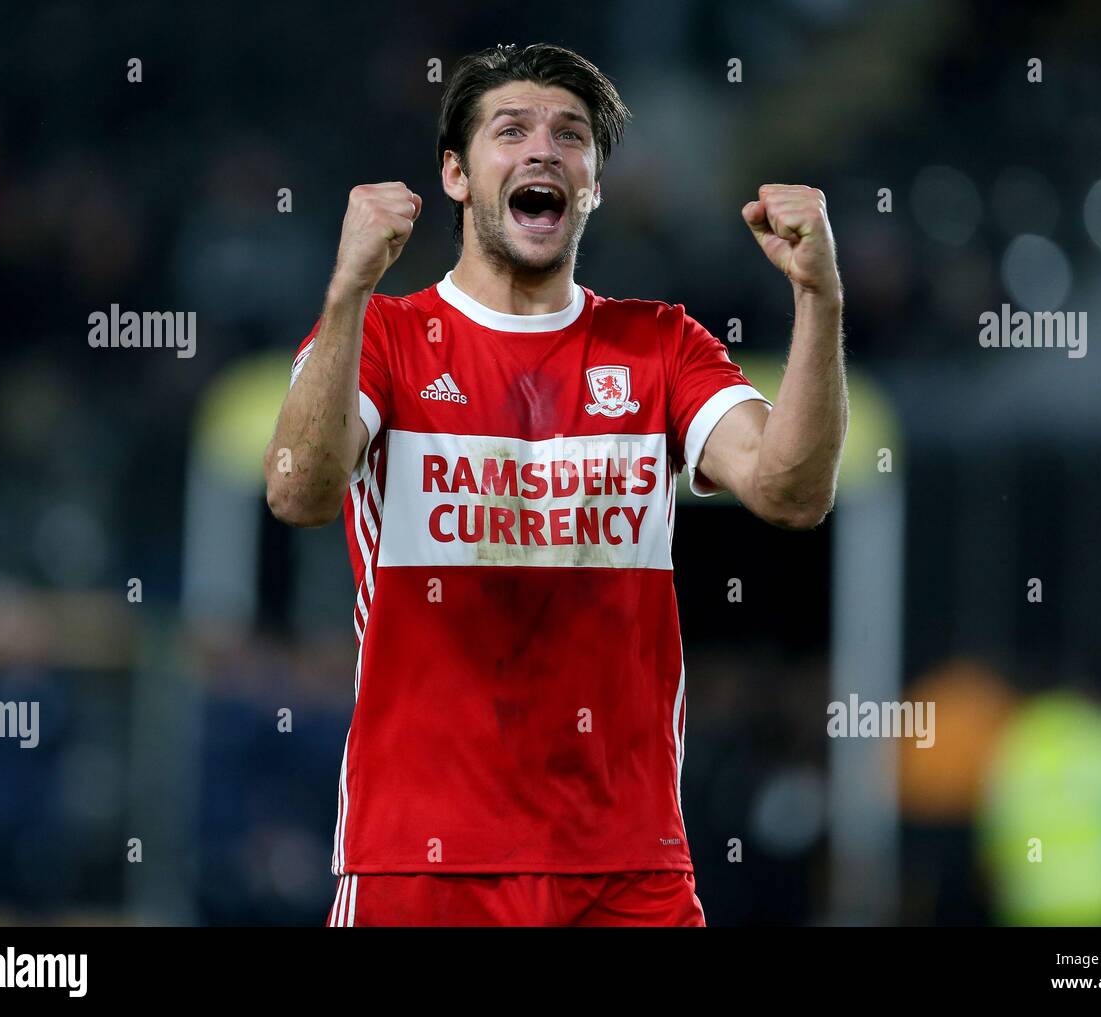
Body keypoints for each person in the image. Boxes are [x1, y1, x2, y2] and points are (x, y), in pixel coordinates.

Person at [263, 42, 848, 926]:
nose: (544, 149)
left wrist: (820, 301)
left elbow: (791, 490)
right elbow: (300, 491)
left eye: (570, 135)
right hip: (421, 861)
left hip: (626, 864)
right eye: (512, 130)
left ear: (595, 183)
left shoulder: (661, 343)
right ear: (457, 175)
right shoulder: (381, 335)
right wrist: (346, 289)